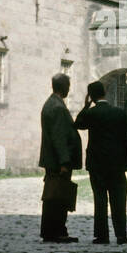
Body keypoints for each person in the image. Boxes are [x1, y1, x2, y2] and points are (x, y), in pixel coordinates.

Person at [74, 80, 127, 244]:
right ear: (105, 93)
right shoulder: (119, 113)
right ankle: (121, 235)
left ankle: (102, 235)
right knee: (119, 200)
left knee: (100, 200)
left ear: (91, 96)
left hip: (97, 164)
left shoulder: (91, 114)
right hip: (117, 164)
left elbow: (77, 124)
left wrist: (86, 106)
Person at [38, 73, 82, 243]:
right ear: (63, 87)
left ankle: (52, 230)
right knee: (57, 197)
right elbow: (59, 137)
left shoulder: (51, 104)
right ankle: (56, 231)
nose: (69, 90)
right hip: (58, 162)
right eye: (68, 86)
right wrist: (64, 161)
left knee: (52, 196)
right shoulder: (57, 107)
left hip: (53, 160)